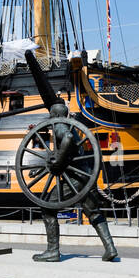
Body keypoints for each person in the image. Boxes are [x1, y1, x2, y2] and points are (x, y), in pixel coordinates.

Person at [32, 103, 118, 263]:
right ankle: (110, 248)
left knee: (47, 208)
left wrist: (57, 160)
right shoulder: (72, 127)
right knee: (93, 213)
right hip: (86, 176)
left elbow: (66, 142)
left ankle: (52, 251)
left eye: (51, 115)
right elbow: (63, 157)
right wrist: (40, 170)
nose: (49, 118)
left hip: (75, 180)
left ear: (56, 115)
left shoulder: (59, 125)